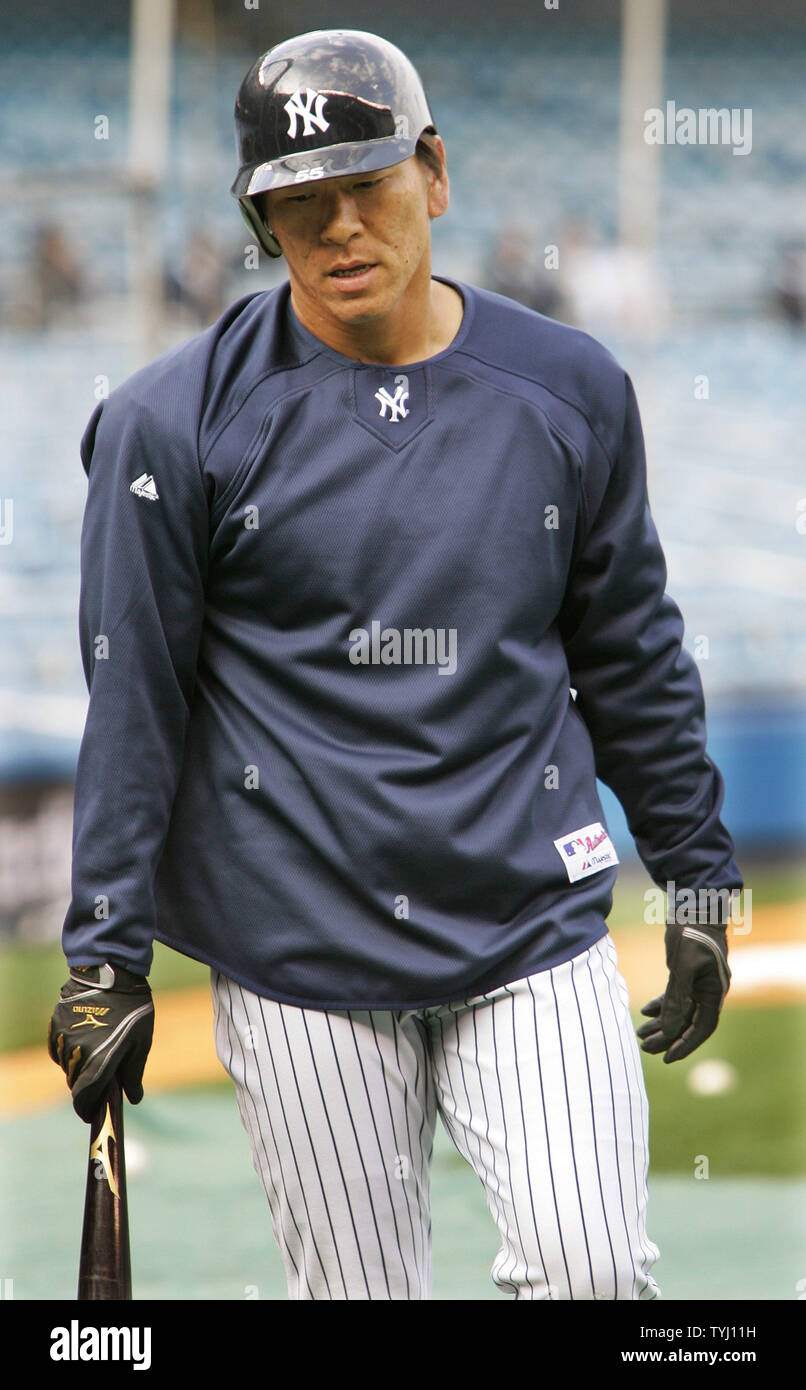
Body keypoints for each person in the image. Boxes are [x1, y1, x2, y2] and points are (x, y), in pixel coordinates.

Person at [49, 29, 742, 1301]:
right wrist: (107, 953)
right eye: (295, 205)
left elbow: (631, 654)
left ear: (432, 171)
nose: (336, 230)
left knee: (592, 1275)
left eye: (362, 186)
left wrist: (697, 879)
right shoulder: (168, 421)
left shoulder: (569, 388)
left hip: (528, 923)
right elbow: (134, 693)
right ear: (260, 222)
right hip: (298, 948)